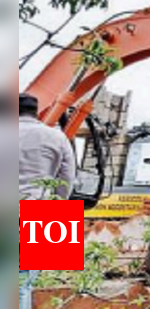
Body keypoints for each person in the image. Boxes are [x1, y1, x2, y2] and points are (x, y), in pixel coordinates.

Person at [19, 94, 78, 309]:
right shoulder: (57, 137)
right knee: (23, 283)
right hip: (42, 212)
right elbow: (67, 179)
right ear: (36, 113)